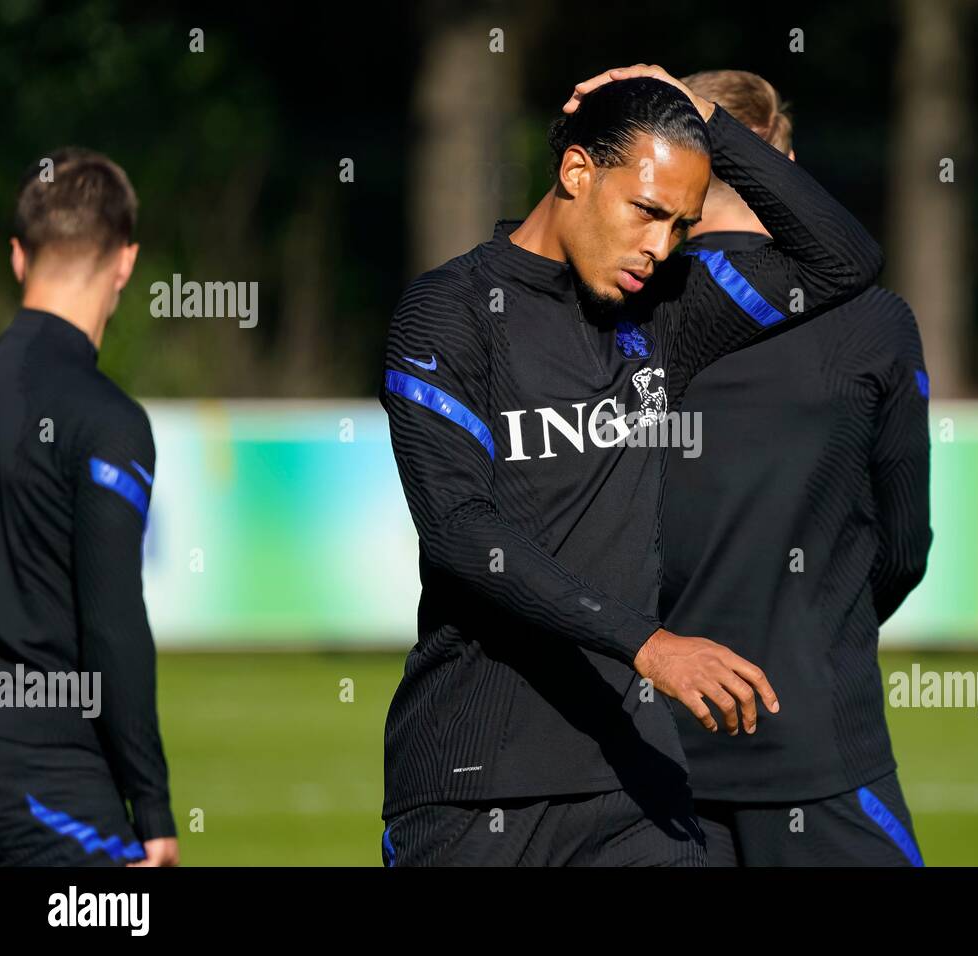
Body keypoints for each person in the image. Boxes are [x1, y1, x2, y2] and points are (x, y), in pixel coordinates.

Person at [379, 64, 883, 866]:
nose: (659, 246)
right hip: (472, 779)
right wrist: (647, 643)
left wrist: (704, 117)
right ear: (577, 170)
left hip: (632, 780)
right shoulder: (449, 310)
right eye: (646, 210)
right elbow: (461, 532)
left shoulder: (666, 311)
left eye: (681, 225)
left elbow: (844, 261)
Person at [659, 70, 932, 866]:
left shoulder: (621, 309)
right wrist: (816, 627)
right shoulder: (872, 319)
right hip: (819, 742)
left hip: (642, 751)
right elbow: (903, 544)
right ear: (785, 163)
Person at [0, 148, 178, 867]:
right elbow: (111, 624)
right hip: (51, 787)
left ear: (17, 257)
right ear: (126, 263)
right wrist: (154, 805)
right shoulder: (107, 420)